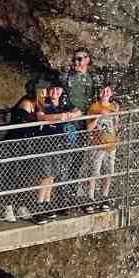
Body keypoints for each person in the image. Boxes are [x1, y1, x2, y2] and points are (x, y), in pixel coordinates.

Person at [40, 79, 80, 212]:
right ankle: (40, 204)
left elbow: (78, 111)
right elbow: (42, 117)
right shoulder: (45, 103)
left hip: (62, 142)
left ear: (62, 91)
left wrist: (71, 115)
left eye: (58, 89)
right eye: (52, 89)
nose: (55, 92)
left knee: (55, 174)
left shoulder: (64, 103)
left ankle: (48, 201)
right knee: (47, 174)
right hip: (48, 142)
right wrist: (60, 116)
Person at [85, 83, 120, 209]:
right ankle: (90, 197)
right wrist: (98, 116)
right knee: (95, 172)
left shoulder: (113, 107)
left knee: (109, 172)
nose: (105, 92)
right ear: (99, 93)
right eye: (103, 90)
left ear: (111, 93)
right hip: (98, 145)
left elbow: (116, 127)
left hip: (111, 145)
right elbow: (88, 128)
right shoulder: (94, 107)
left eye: (108, 91)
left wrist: (116, 115)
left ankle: (104, 197)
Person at [62, 48, 99, 117]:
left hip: (90, 114)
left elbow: (100, 92)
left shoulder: (94, 76)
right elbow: (63, 95)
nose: (76, 62)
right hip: (73, 115)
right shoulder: (67, 76)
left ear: (87, 60)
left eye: (79, 59)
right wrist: (72, 108)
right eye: (74, 59)